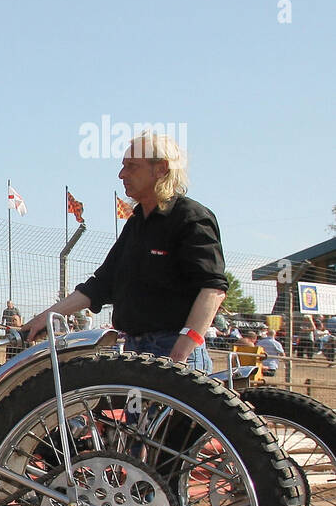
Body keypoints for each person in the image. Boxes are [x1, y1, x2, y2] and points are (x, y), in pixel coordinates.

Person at [24, 132, 226, 374]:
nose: (122, 175)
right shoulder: (136, 222)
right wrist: (43, 318)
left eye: (132, 167)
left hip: (174, 351)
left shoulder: (190, 217)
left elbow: (213, 289)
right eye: (123, 167)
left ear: (161, 169)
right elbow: (100, 285)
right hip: (135, 352)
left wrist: (182, 351)